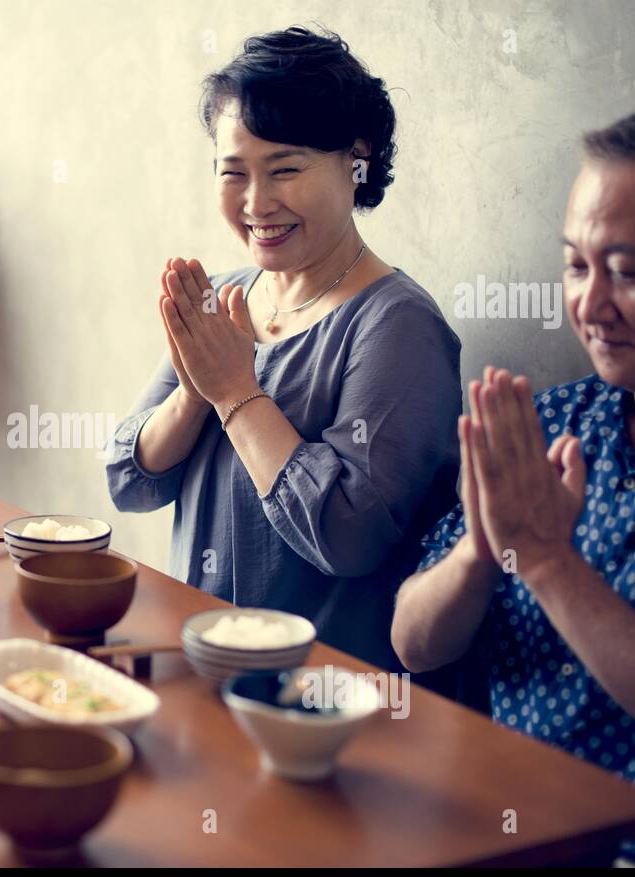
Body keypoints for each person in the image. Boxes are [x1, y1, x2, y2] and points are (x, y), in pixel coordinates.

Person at [392, 109, 635, 866]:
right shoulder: (547, 423)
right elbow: (413, 643)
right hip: (486, 830)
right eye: (576, 265)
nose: (589, 305)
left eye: (628, 271)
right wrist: (481, 549)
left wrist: (545, 560)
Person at [106, 27, 461, 672]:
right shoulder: (222, 294)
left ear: (357, 160)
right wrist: (196, 391)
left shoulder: (398, 325)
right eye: (233, 172)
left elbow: (350, 535)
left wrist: (237, 395)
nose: (256, 202)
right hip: (200, 667)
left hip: (323, 706)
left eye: (286, 169)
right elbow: (128, 481)